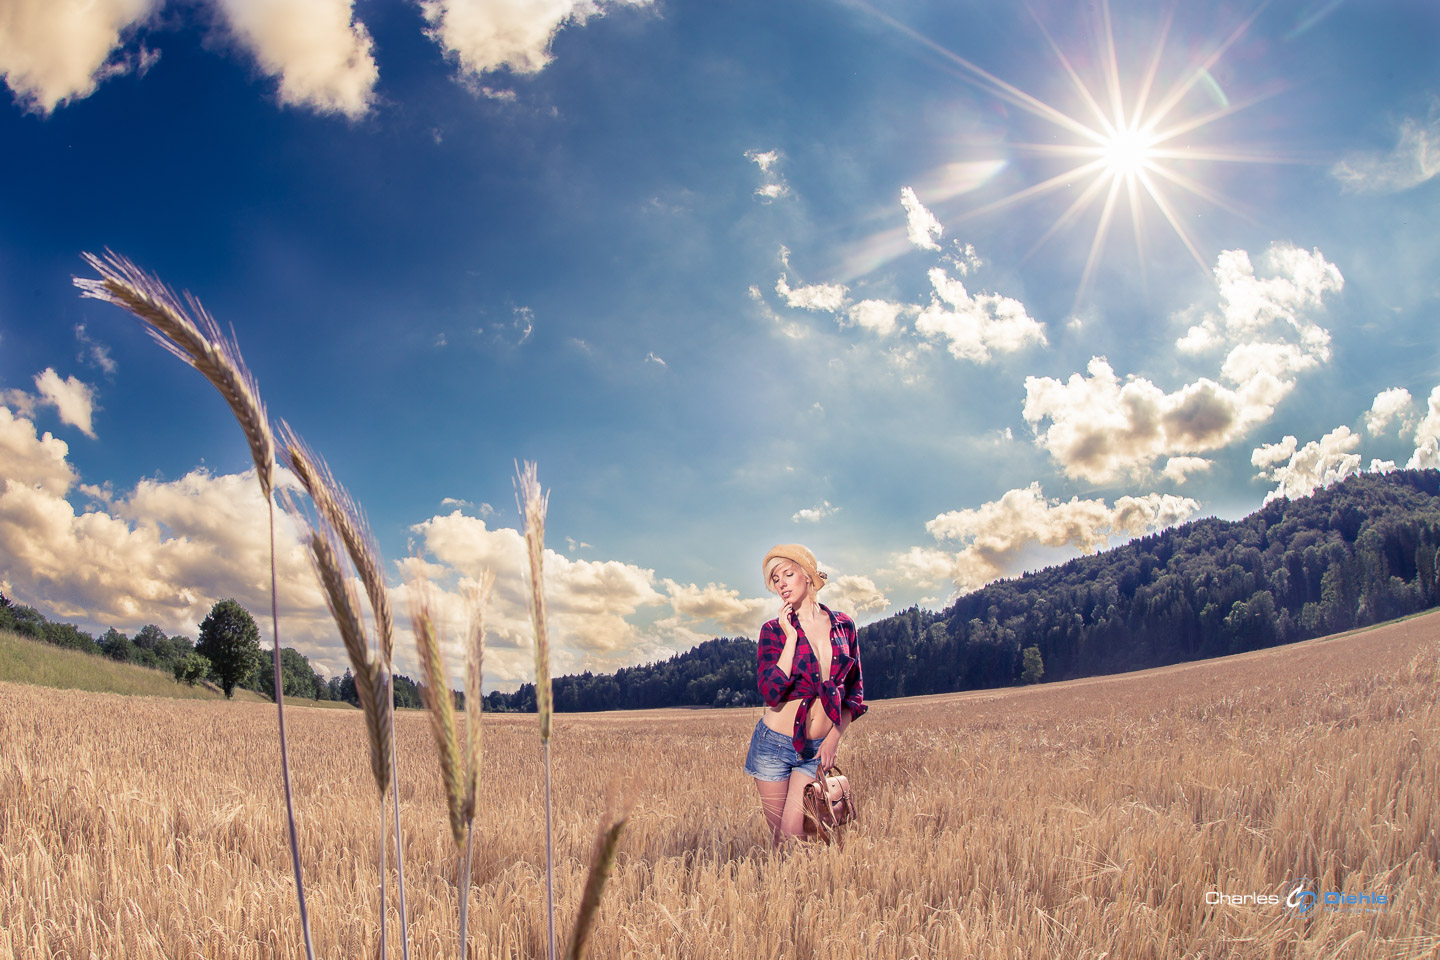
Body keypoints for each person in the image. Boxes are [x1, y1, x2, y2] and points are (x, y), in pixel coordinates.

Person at [743, 544, 866, 845]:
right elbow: (771, 693)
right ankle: (785, 891)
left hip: (816, 749)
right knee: (785, 842)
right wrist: (791, 638)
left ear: (808, 576)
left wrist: (834, 738)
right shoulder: (773, 630)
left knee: (799, 834)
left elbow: (854, 693)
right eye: (775, 578)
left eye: (788, 573)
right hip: (773, 746)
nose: (781, 583)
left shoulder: (843, 626)